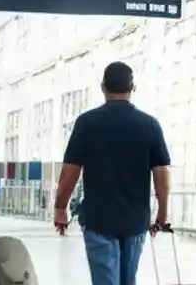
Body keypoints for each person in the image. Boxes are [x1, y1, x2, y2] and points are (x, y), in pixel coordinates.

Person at [53, 62, 172, 285]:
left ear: (103, 87)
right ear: (133, 87)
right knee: (128, 280)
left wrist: (61, 208)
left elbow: (70, 172)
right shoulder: (149, 125)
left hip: (99, 221)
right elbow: (161, 174)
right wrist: (162, 213)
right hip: (135, 221)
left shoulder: (87, 123)